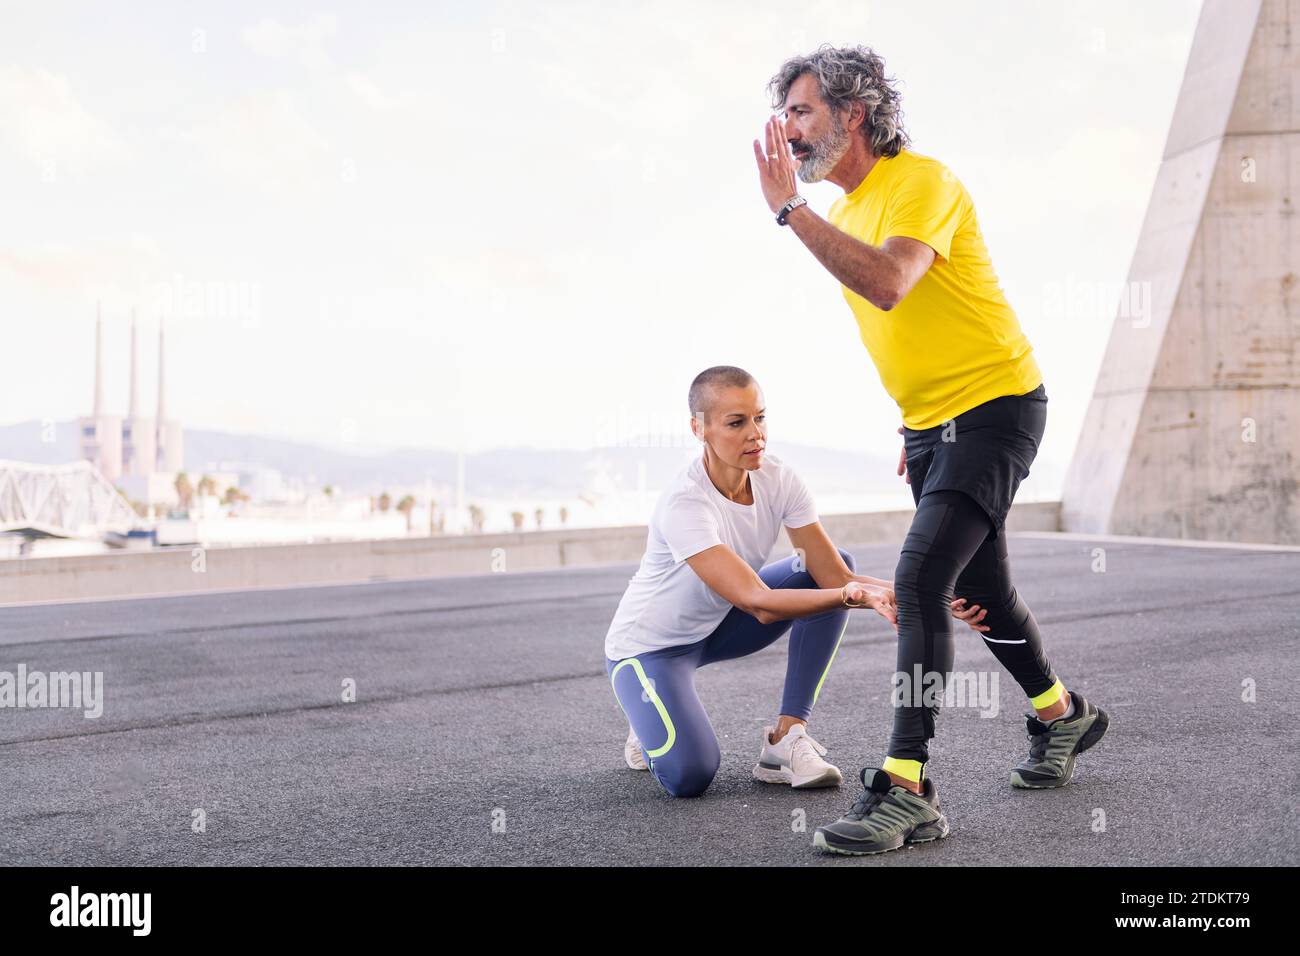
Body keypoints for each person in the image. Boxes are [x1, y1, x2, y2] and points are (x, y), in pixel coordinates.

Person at [753, 44, 1110, 854]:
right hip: (934, 429)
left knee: (917, 582)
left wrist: (786, 210)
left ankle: (906, 786)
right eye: (786, 115)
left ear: (854, 114)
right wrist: (914, 428)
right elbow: (904, 330)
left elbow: (889, 283)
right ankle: (1063, 717)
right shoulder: (845, 213)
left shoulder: (924, 182)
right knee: (980, 594)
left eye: (803, 112)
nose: (789, 129)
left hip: (997, 408)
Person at [604, 365, 989, 799]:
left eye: (760, 417)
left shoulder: (778, 478)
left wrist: (930, 597)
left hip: (721, 626)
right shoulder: (685, 503)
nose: (756, 434)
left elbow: (835, 577)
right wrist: (852, 596)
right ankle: (647, 718)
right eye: (736, 422)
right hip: (651, 650)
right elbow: (760, 602)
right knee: (690, 776)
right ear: (700, 429)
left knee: (824, 570)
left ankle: (786, 740)